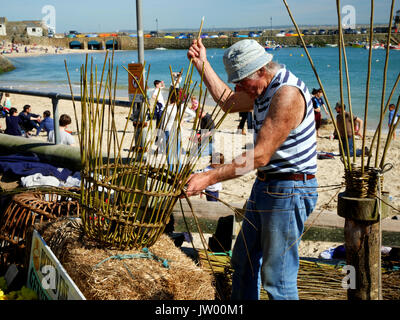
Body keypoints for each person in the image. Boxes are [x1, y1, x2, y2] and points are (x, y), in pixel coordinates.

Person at [186, 38, 318, 300]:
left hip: (289, 189)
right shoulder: (263, 87)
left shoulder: (286, 94)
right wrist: (202, 65)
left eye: (241, 81)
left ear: (261, 70)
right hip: (266, 186)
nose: (238, 87)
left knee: (277, 279)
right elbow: (228, 102)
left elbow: (259, 156)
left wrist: (209, 176)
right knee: (243, 265)